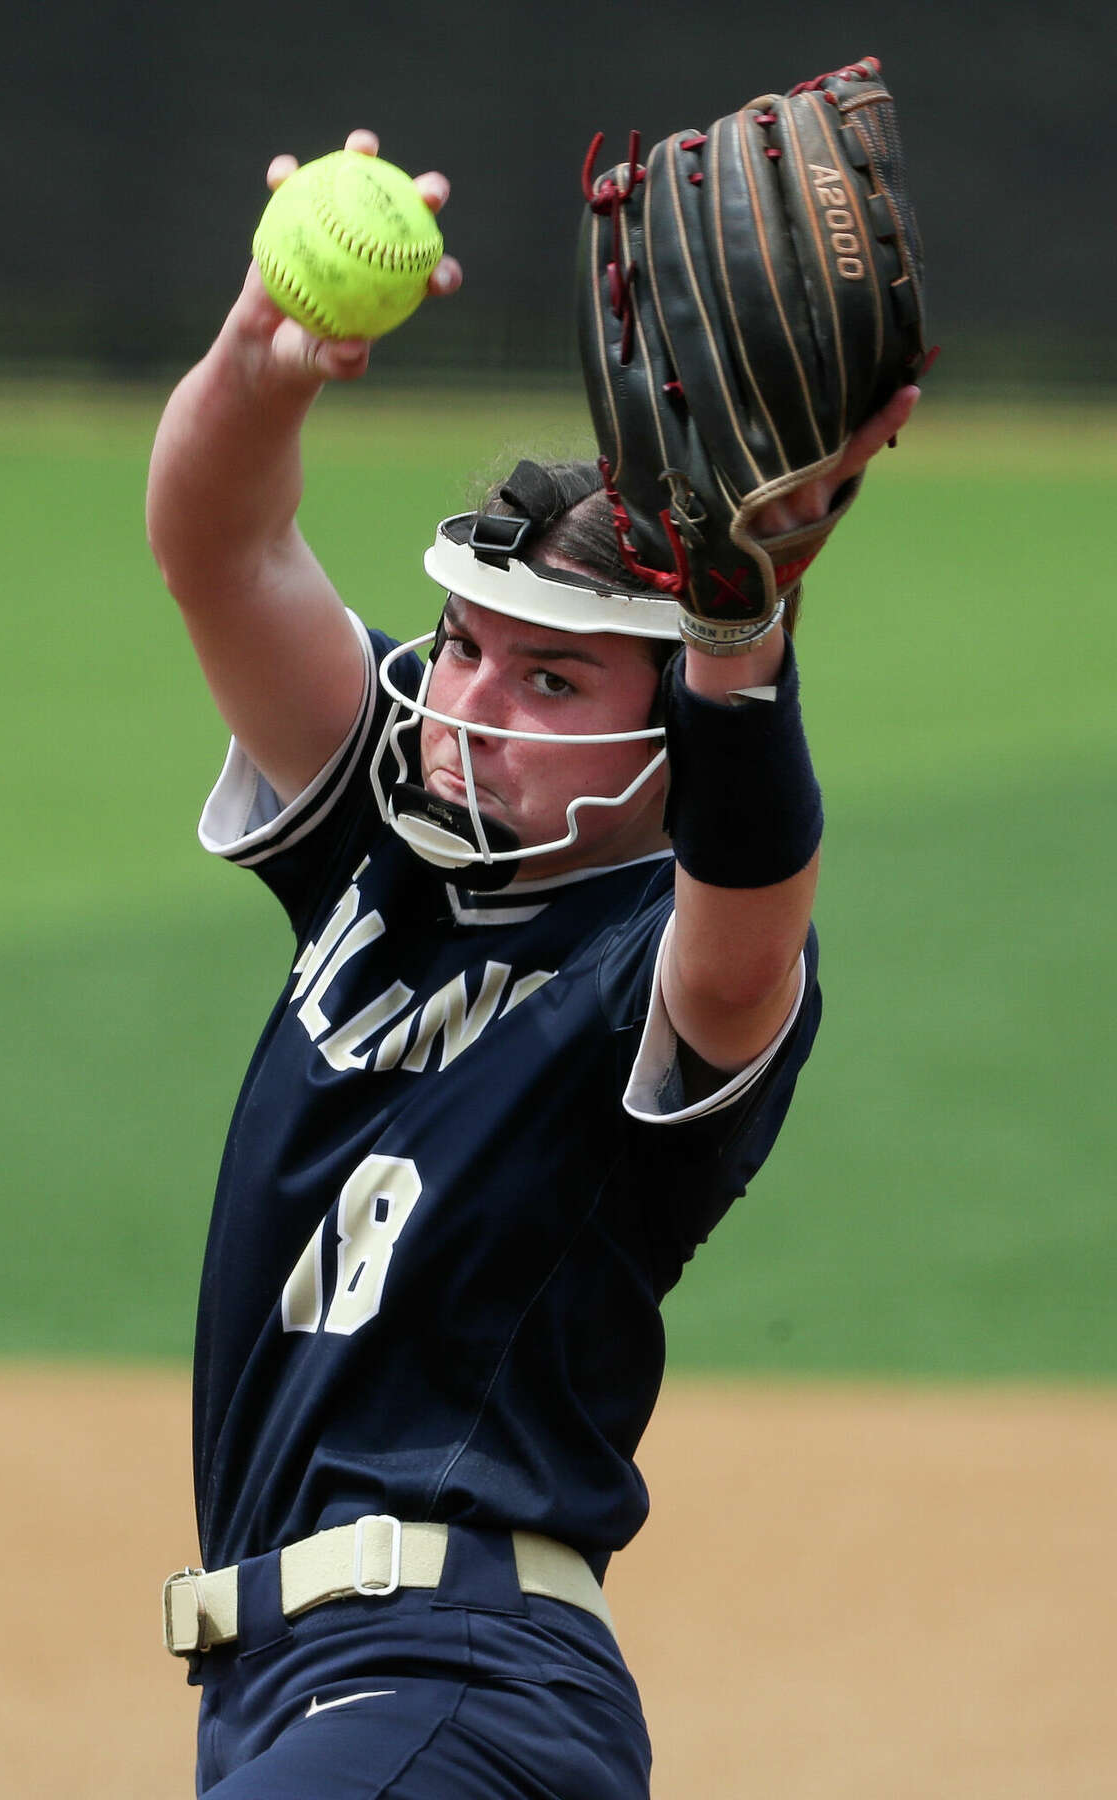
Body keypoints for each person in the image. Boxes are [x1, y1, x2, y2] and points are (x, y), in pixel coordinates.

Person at [147, 130, 917, 1799]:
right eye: (472, 649)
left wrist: (742, 632)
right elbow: (223, 549)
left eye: (554, 684)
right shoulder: (386, 844)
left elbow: (751, 912)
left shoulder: (660, 964)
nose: (472, 705)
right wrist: (265, 359)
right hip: (287, 1699)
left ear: (669, 741)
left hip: (458, 1676)